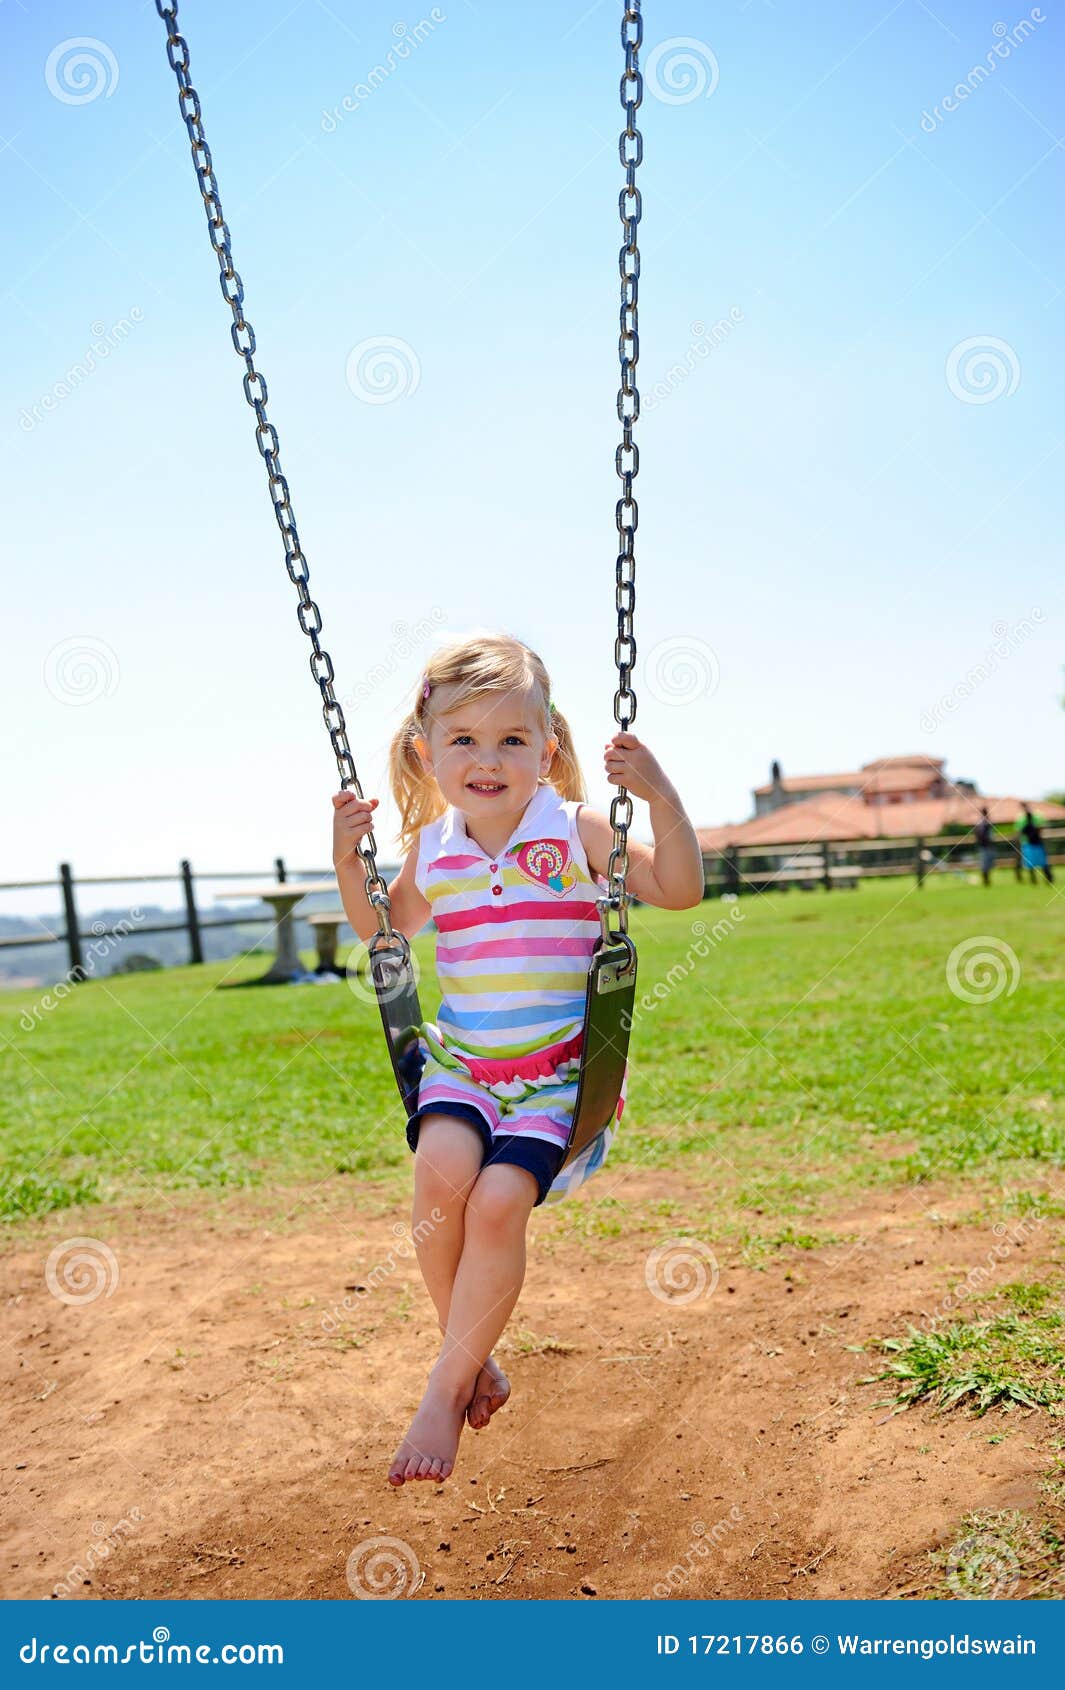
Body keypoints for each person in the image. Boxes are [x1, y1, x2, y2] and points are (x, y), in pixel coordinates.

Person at [331, 634, 705, 1487]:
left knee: (498, 1201)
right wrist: (342, 857)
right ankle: (468, 1358)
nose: (487, 759)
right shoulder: (431, 848)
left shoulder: (575, 829)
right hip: (463, 1070)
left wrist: (658, 794)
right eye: (463, 739)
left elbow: (680, 889)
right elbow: (379, 929)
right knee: (439, 1179)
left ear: (549, 750)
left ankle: (443, 1388)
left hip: (558, 1081)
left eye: (511, 739)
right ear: (426, 754)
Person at [1016, 804, 1054, 885]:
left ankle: (1046, 879)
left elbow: (1041, 827)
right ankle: (1036, 880)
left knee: (1040, 863)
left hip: (1034, 845)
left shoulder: (1033, 820)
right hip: (1030, 845)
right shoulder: (1025, 822)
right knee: (1033, 864)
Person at [974, 806, 995, 887]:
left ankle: (987, 880)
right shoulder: (982, 824)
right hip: (985, 846)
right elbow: (979, 834)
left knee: (988, 863)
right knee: (985, 864)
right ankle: (986, 881)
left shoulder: (985, 823)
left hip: (987, 845)